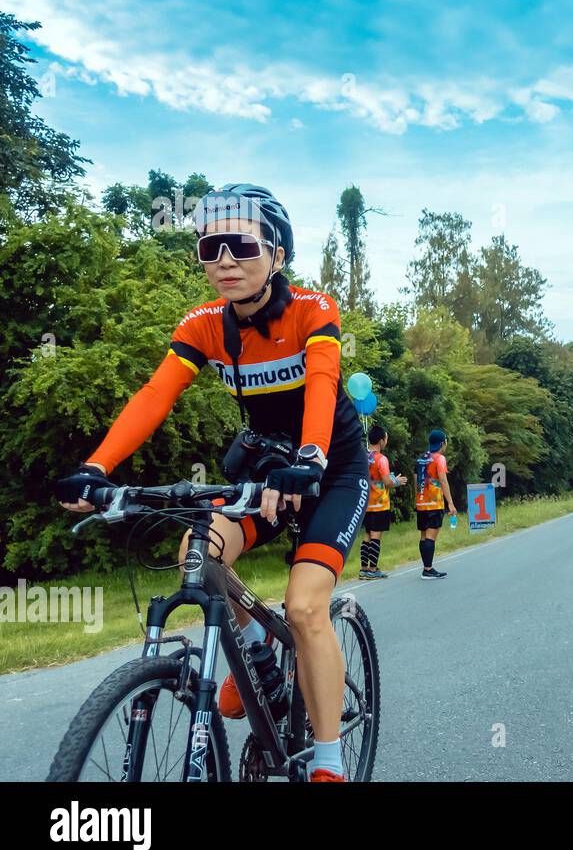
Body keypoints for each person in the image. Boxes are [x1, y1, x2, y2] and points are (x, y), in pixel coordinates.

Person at [55, 184, 364, 782]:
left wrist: (312, 457)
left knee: (304, 608)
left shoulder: (311, 308)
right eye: (210, 248)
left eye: (242, 246)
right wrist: (97, 468)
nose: (225, 261)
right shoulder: (202, 326)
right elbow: (154, 396)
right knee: (198, 554)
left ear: (277, 255)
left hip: (332, 467)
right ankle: (255, 655)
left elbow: (323, 381)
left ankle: (329, 765)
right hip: (268, 469)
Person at [361, 424, 406, 580]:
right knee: (376, 536)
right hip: (379, 503)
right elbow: (387, 482)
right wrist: (397, 481)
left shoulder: (363, 457)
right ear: (381, 441)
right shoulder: (381, 459)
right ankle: (373, 569)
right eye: (386, 438)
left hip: (365, 503)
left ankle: (363, 568)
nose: (386, 441)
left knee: (367, 534)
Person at [415, 428, 458, 580]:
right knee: (431, 537)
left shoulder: (421, 458)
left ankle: (426, 566)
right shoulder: (439, 459)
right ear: (442, 443)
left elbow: (416, 479)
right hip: (434, 503)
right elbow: (443, 480)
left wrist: (418, 496)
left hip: (421, 502)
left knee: (423, 536)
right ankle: (428, 569)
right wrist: (450, 503)